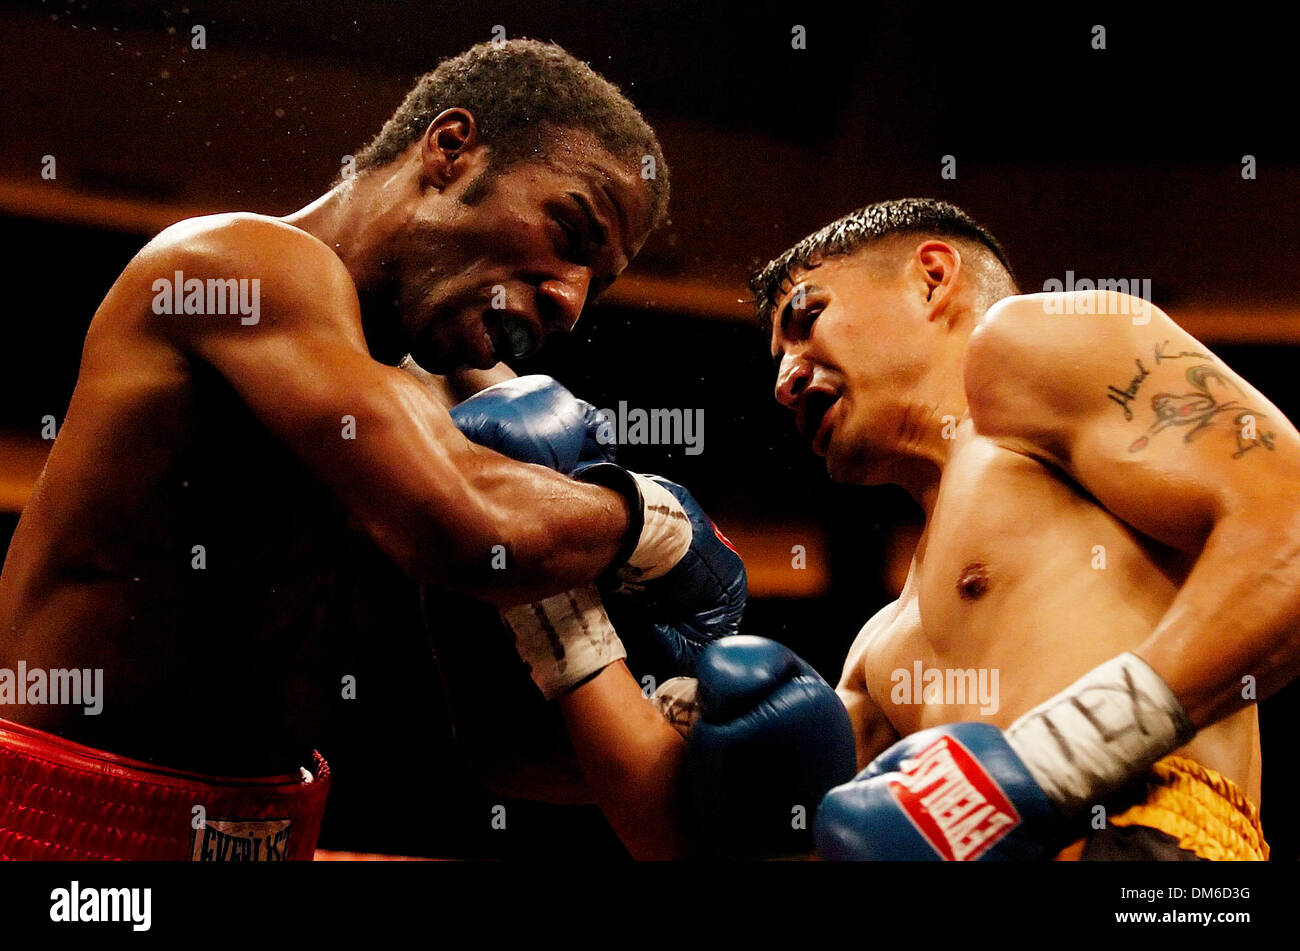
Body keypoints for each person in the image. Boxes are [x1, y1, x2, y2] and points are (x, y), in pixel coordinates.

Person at [0, 39, 744, 860]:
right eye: (569, 231)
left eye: (595, 285)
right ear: (450, 150)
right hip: (60, 829)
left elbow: (504, 750)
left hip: (262, 834)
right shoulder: (236, 266)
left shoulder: (449, 404)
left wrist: (692, 730)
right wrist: (652, 519)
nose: (570, 303)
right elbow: (468, 531)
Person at [483, 197, 1297, 861]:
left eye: (806, 318)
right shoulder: (883, 649)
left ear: (933, 279)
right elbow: (696, 838)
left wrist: (1059, 756)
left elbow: (1289, 525)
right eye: (773, 357)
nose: (784, 376)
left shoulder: (1032, 342)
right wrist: (555, 594)